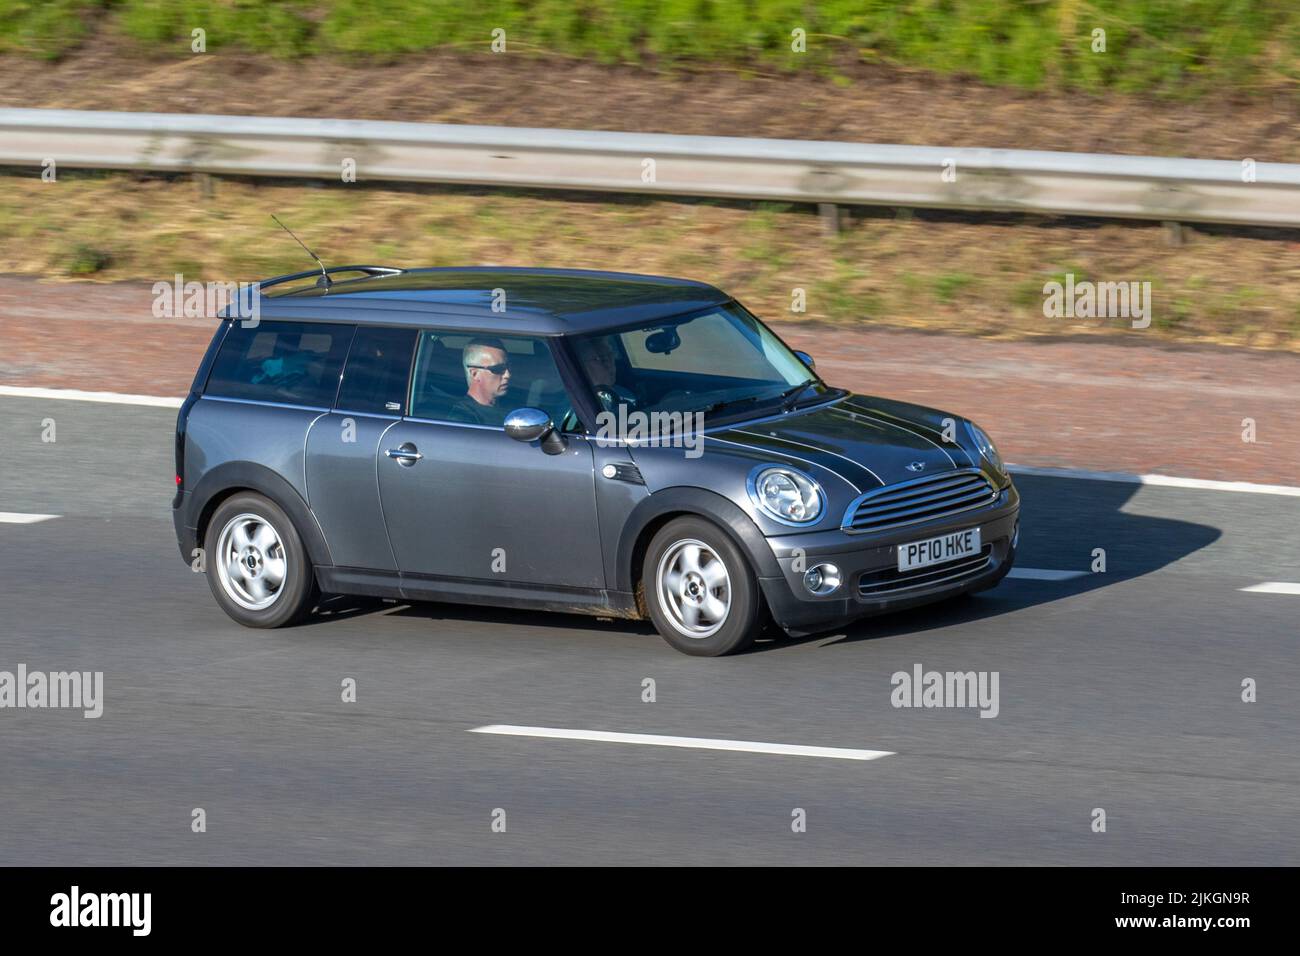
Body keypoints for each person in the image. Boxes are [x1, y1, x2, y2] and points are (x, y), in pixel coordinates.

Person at [448, 337, 512, 426]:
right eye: (498, 369)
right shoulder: (463, 419)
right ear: (475, 374)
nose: (507, 375)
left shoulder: (509, 406)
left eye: (508, 367)